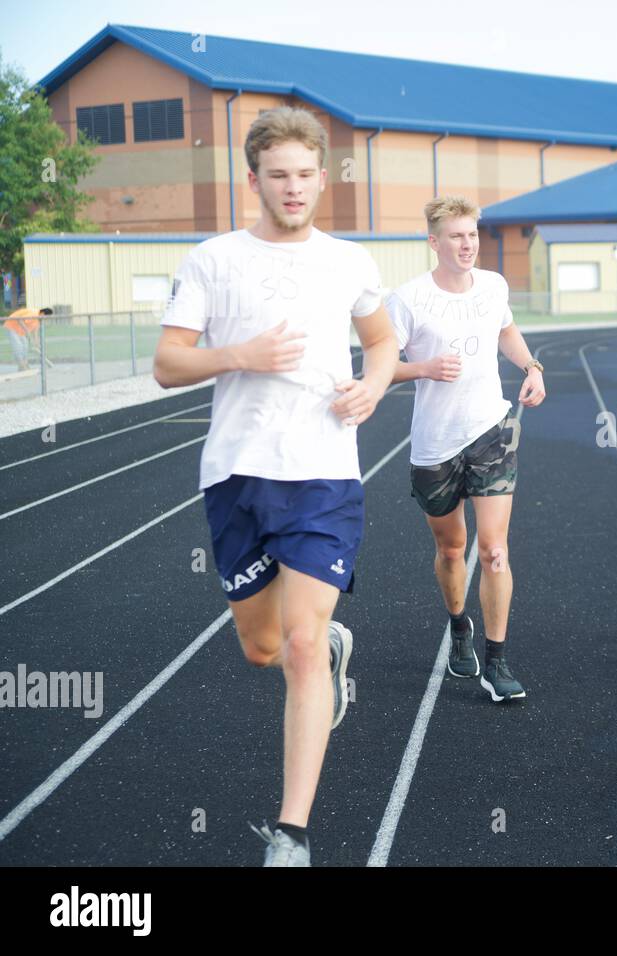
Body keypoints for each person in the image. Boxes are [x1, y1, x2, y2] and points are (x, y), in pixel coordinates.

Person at [154, 106, 398, 867]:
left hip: (324, 473)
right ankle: (326, 646)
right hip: (237, 474)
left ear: (323, 179)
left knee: (294, 647)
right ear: (253, 179)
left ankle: (291, 834)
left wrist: (376, 385)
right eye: (278, 175)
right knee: (263, 648)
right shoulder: (212, 259)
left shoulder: (351, 261)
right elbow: (167, 364)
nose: (293, 188)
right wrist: (243, 354)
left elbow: (383, 340)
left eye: (304, 175)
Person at [385, 196, 545, 703]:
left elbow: (506, 330)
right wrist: (423, 368)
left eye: (472, 234)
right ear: (434, 242)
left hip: (490, 429)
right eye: (456, 235)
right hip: (435, 445)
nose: (467, 243)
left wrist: (531, 367)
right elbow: (381, 365)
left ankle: (497, 664)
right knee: (452, 548)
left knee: (494, 550)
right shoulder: (408, 298)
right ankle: (459, 626)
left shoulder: (494, 285)